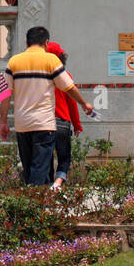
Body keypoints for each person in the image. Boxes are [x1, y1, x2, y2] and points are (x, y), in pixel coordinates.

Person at [0, 26, 94, 186]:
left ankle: (32, 200)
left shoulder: (14, 61)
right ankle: (35, 204)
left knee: (29, 168)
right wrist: (84, 103)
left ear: (26, 42)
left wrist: (3, 122)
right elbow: (68, 87)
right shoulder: (51, 61)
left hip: (22, 125)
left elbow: (6, 94)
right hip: (44, 124)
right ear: (46, 42)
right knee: (40, 168)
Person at [46, 41, 82, 189]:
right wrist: (77, 124)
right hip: (62, 123)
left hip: (44, 123)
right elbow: (72, 103)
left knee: (46, 157)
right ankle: (58, 182)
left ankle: (47, 186)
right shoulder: (65, 75)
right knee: (64, 156)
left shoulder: (39, 77)